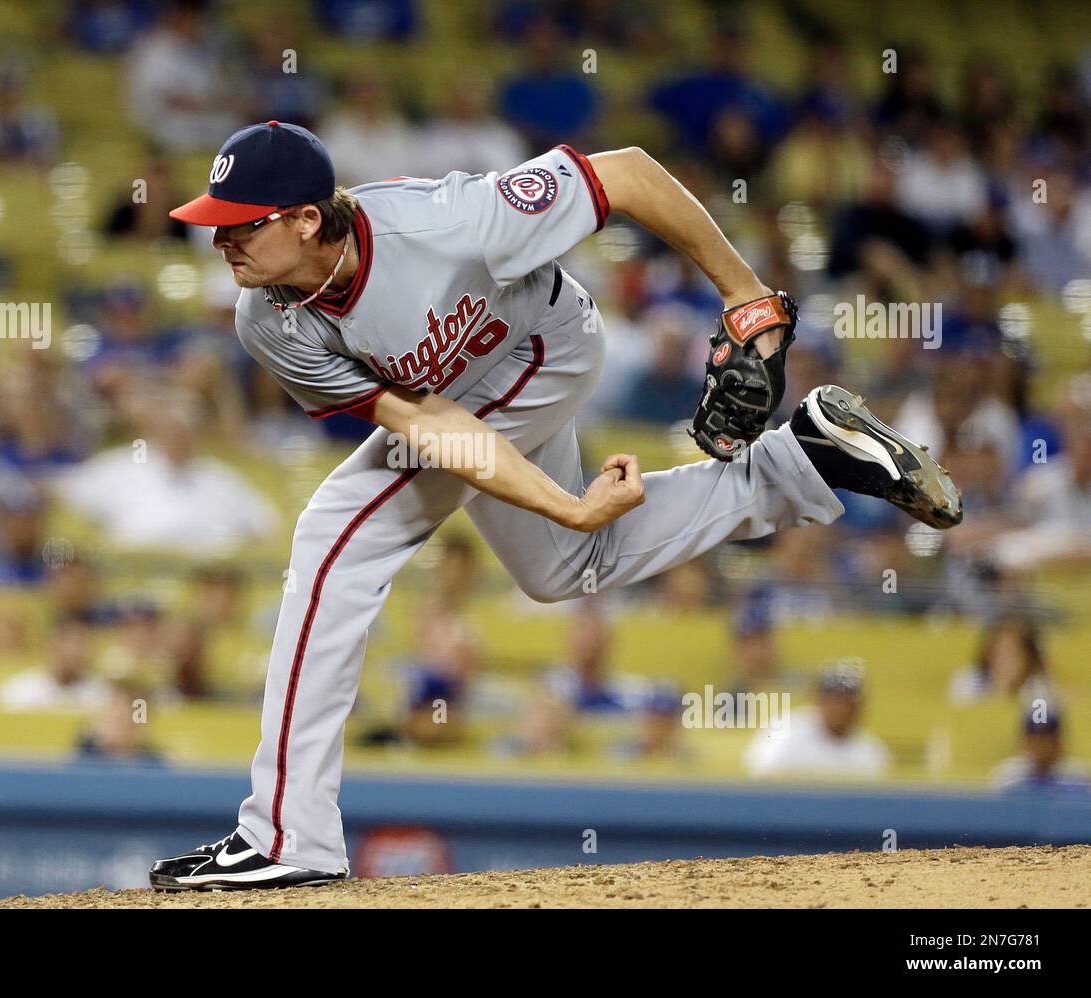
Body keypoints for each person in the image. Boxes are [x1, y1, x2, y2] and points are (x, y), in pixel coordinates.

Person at [150, 120, 960, 891]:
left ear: (301, 218)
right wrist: (563, 509)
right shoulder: (268, 323)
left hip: (544, 346)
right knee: (564, 566)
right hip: (455, 399)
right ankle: (801, 460)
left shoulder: (448, 220)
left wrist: (748, 299)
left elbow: (632, 175)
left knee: (336, 534)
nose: (221, 241)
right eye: (216, 224)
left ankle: (286, 837)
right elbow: (428, 424)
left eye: (240, 226)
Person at [744, 661, 891, 779]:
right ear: (818, 699)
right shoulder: (786, 732)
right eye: (833, 698)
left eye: (846, 699)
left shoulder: (871, 752)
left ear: (858, 706)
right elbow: (760, 778)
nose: (839, 707)